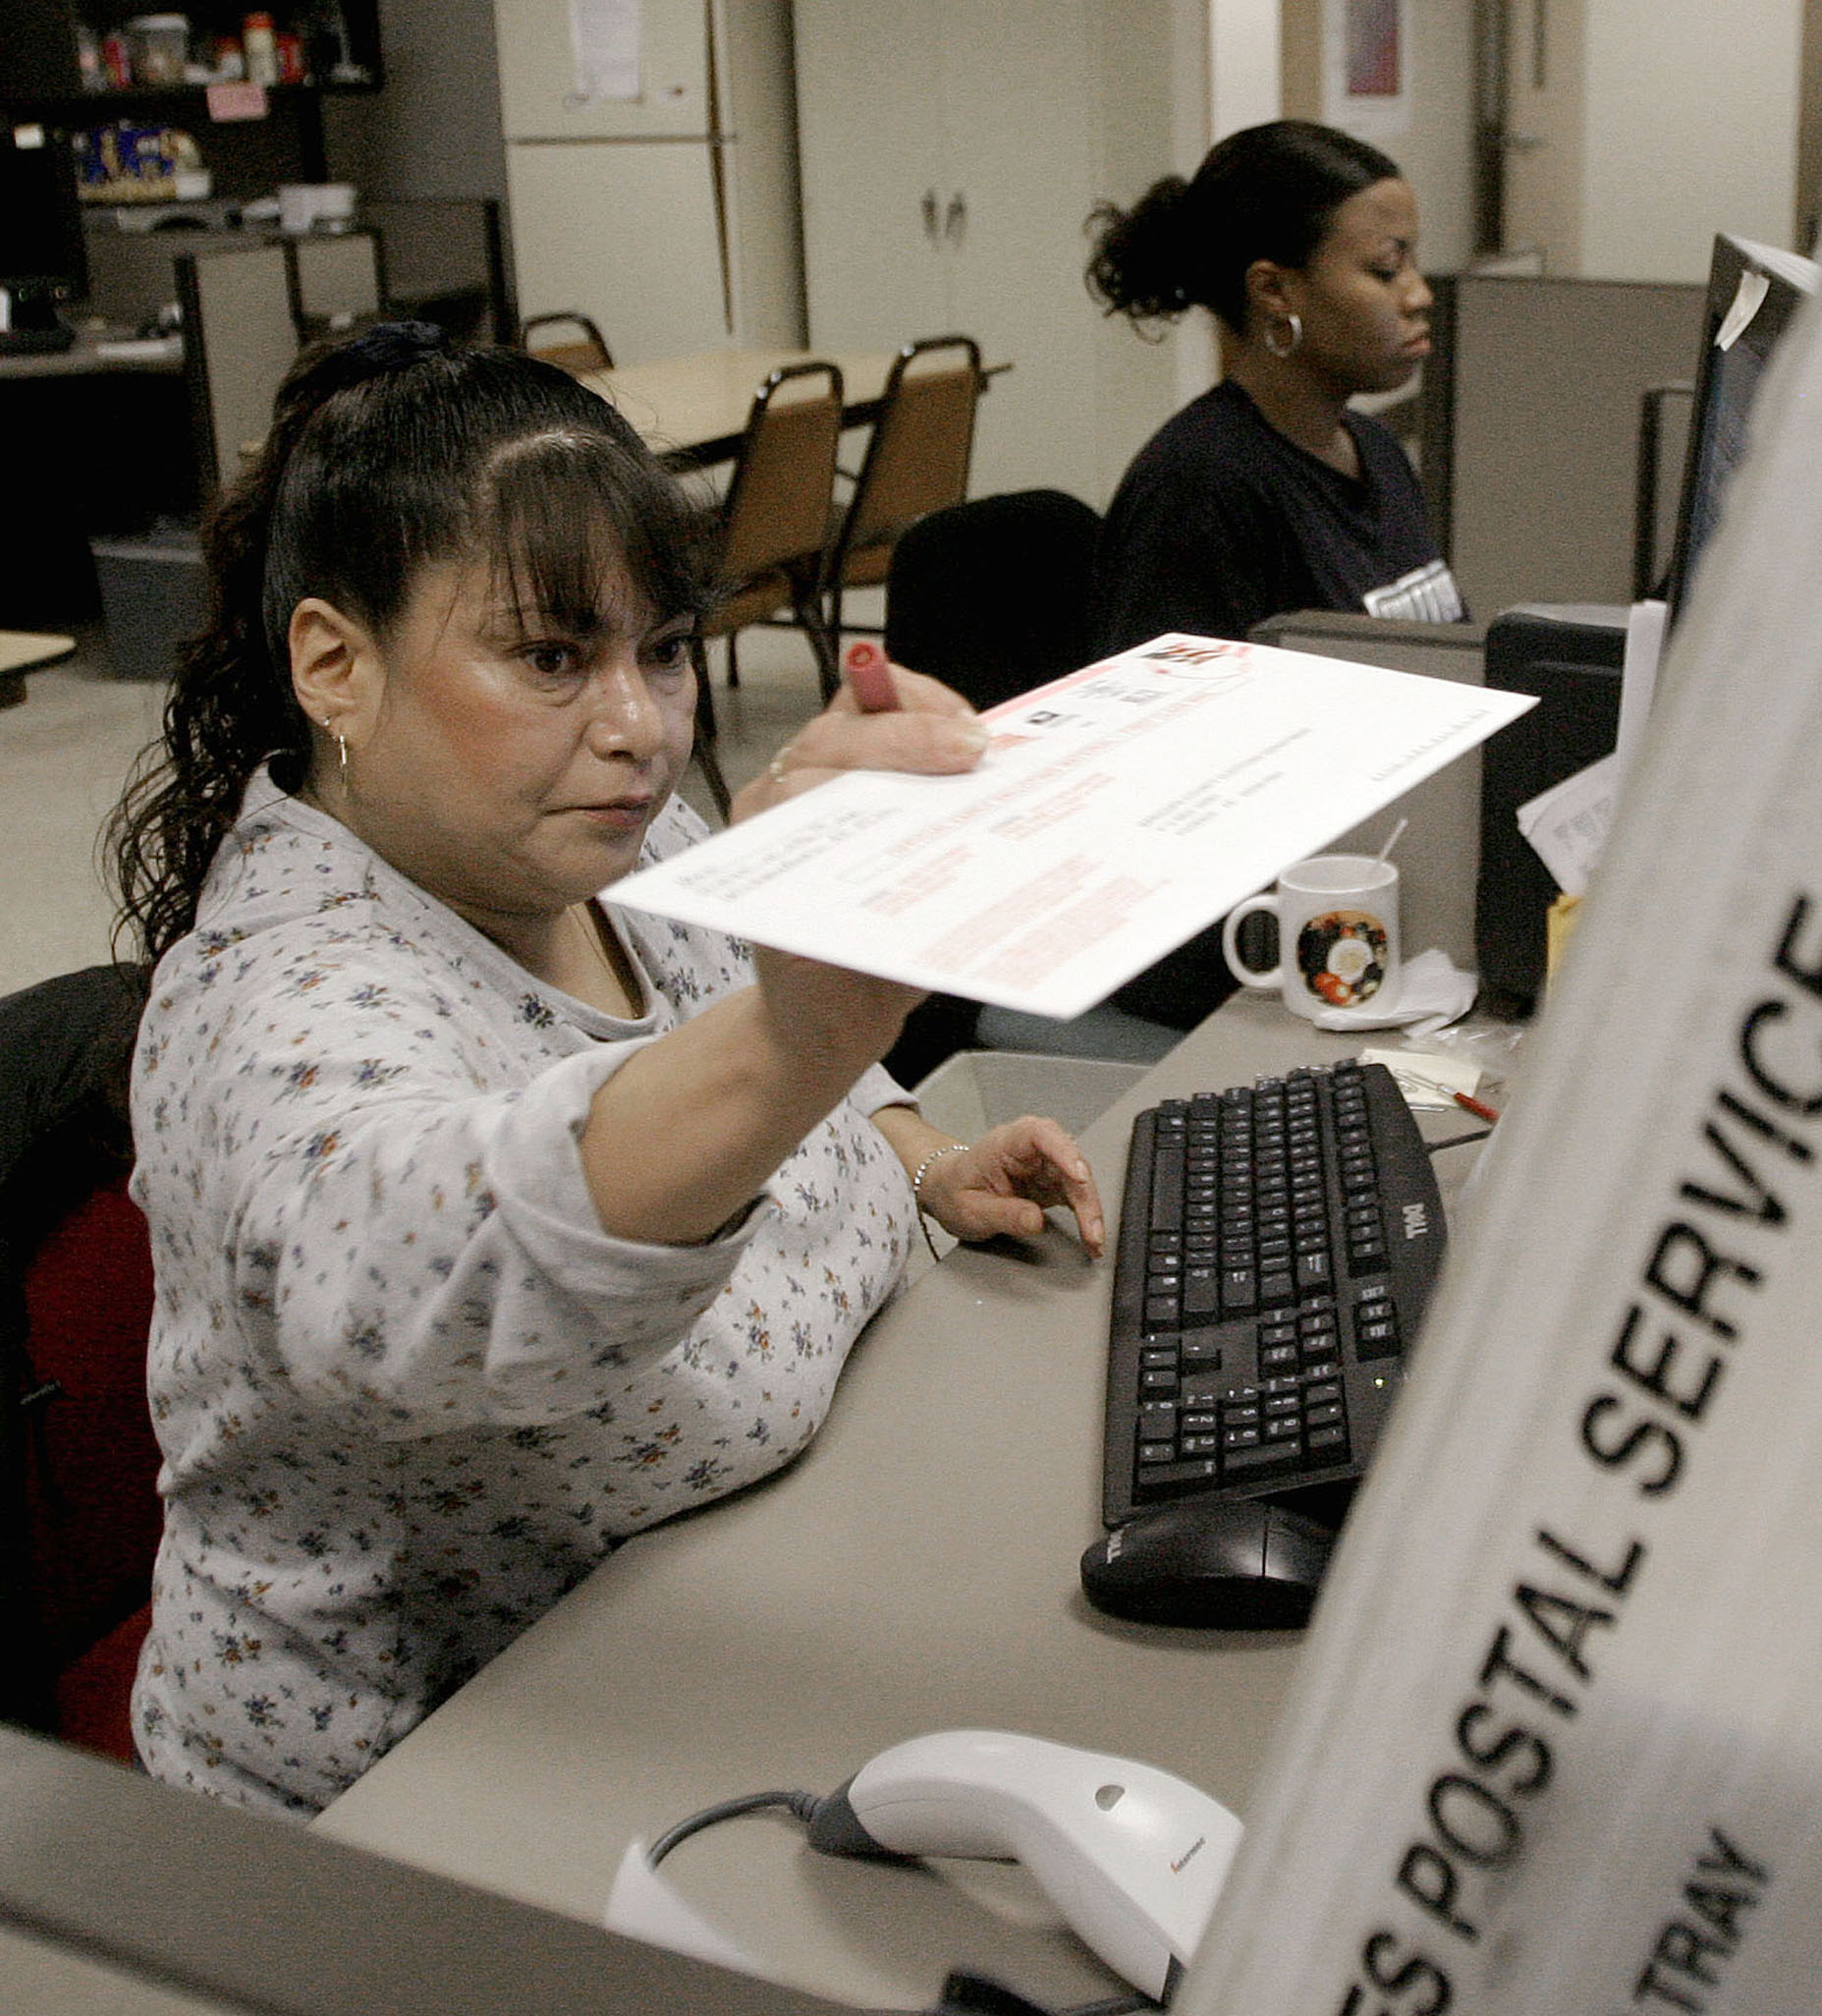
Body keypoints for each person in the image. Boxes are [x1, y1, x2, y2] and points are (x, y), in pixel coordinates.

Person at [106, 329, 1108, 1818]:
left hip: (771, 1597)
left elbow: (765, 1026)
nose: (638, 730)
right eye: (551, 657)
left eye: (660, 651)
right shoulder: (274, 998)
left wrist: (917, 1159)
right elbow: (416, 1271)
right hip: (439, 1800)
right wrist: (795, 1032)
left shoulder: (618, 851)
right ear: (335, 665)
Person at [1082, 121, 1464, 1028]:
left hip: (1390, 890)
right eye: (1385, 269)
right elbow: (1171, 791)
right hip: (1256, 960)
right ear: (1274, 292)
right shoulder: (1204, 488)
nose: (1418, 297)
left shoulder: (1374, 448)